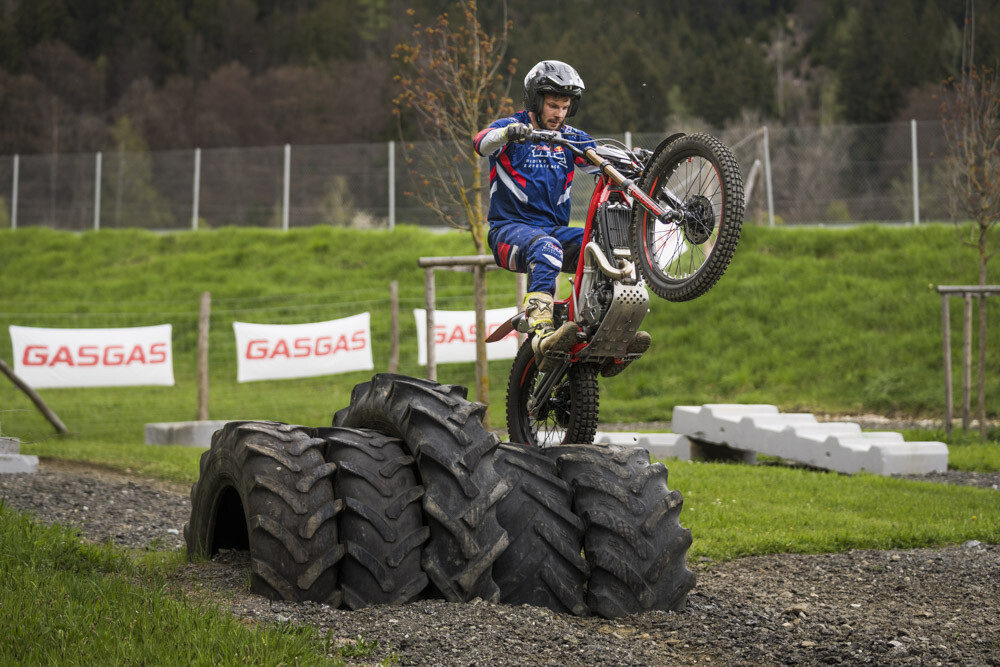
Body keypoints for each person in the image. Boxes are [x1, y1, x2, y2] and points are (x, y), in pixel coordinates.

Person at [473, 60, 649, 375]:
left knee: (602, 246)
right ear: (535, 101)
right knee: (547, 247)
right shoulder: (511, 128)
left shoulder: (570, 137)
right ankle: (540, 326)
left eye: (565, 107)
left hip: (553, 232)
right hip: (507, 234)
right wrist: (508, 135)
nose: (559, 114)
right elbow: (481, 144)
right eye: (553, 106)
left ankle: (604, 331)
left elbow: (604, 164)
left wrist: (635, 161)